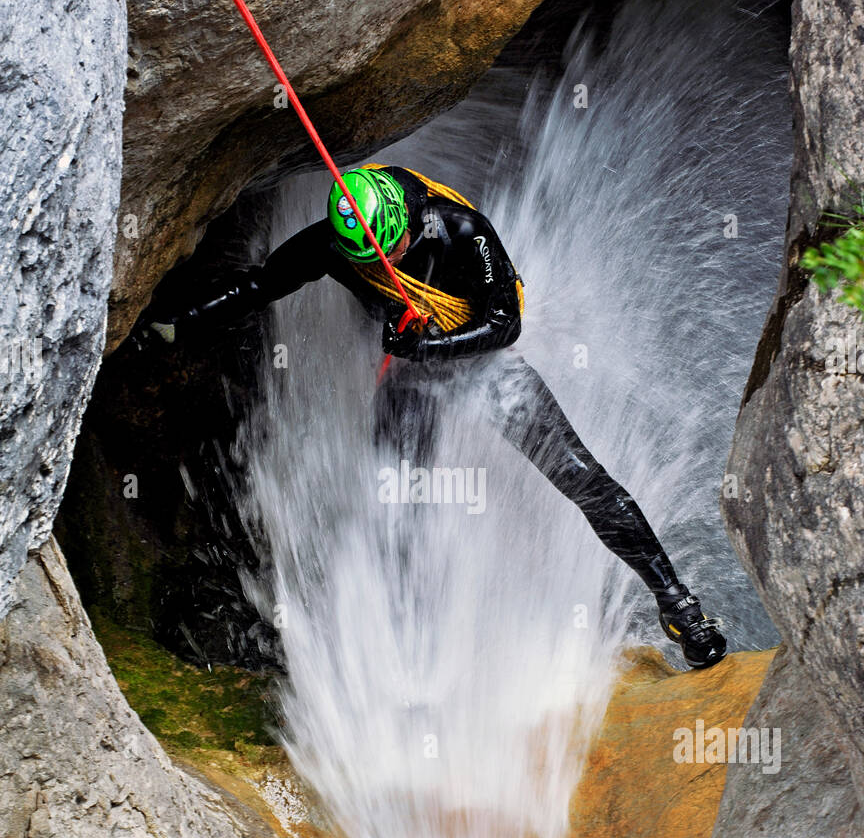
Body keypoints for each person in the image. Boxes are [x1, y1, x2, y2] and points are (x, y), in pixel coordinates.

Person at [139, 164, 727, 669]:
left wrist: (428, 348)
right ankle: (404, 648)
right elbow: (261, 285)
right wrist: (175, 325)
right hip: (410, 375)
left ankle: (678, 605)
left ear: (409, 223)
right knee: (393, 504)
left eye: (390, 253)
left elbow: (504, 323)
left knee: (580, 478)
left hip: (483, 364)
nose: (384, 264)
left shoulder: (461, 229)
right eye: (371, 259)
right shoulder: (339, 243)